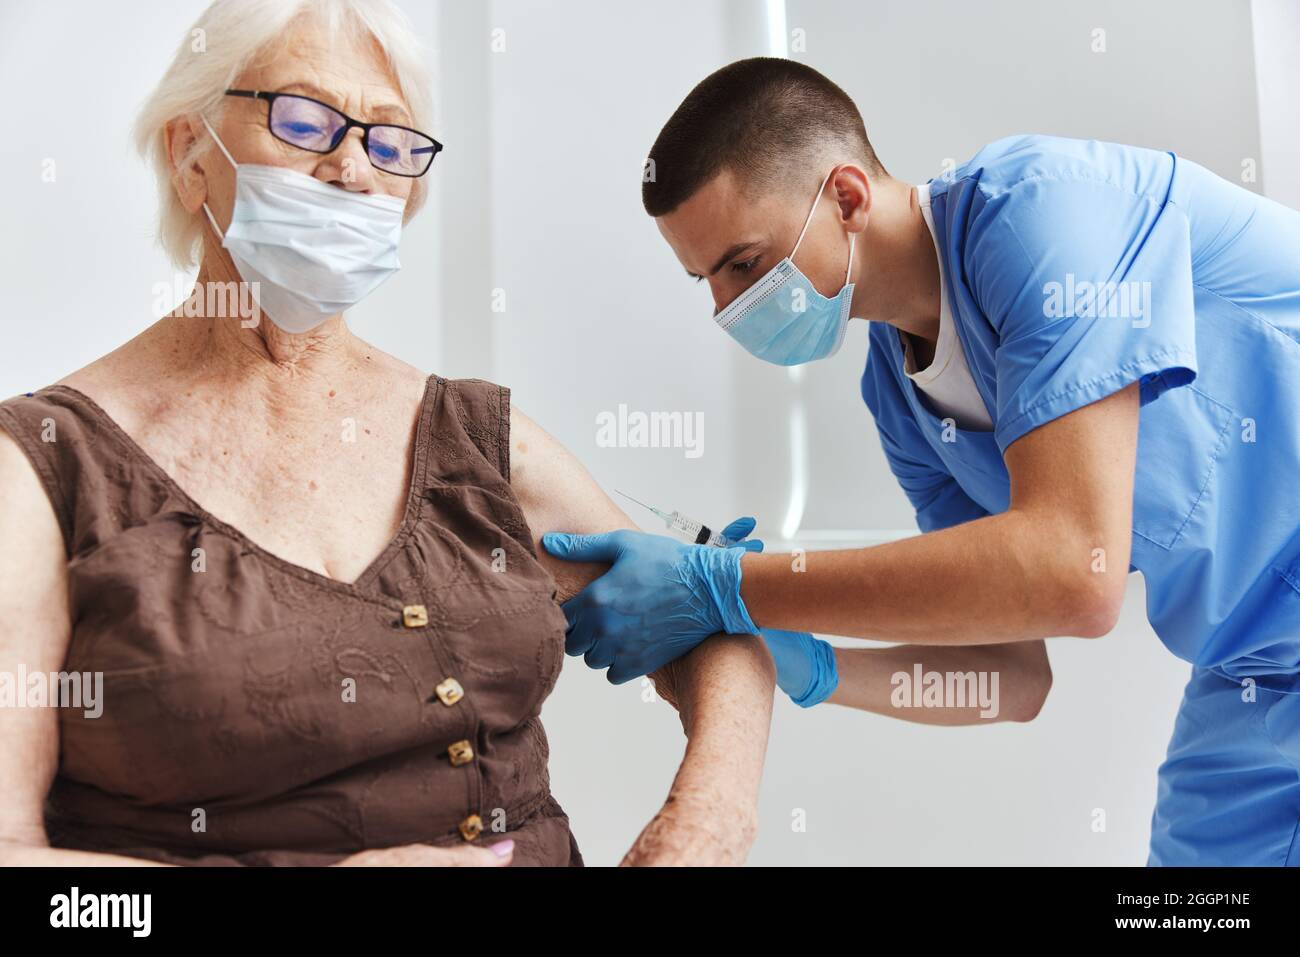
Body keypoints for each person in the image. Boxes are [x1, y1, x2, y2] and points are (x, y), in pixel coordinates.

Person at [0, 1, 775, 868]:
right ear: (190, 154)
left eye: (391, 140)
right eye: (303, 119)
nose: (351, 167)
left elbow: (710, 624)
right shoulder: (42, 469)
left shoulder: (471, 437)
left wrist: (710, 812)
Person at [545, 57, 1300, 865]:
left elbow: (1073, 574)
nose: (727, 309)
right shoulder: (902, 397)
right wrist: (811, 659)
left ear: (845, 196)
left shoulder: (1044, 211)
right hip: (1257, 674)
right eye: (706, 281)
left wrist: (726, 585)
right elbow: (1010, 674)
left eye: (743, 263)